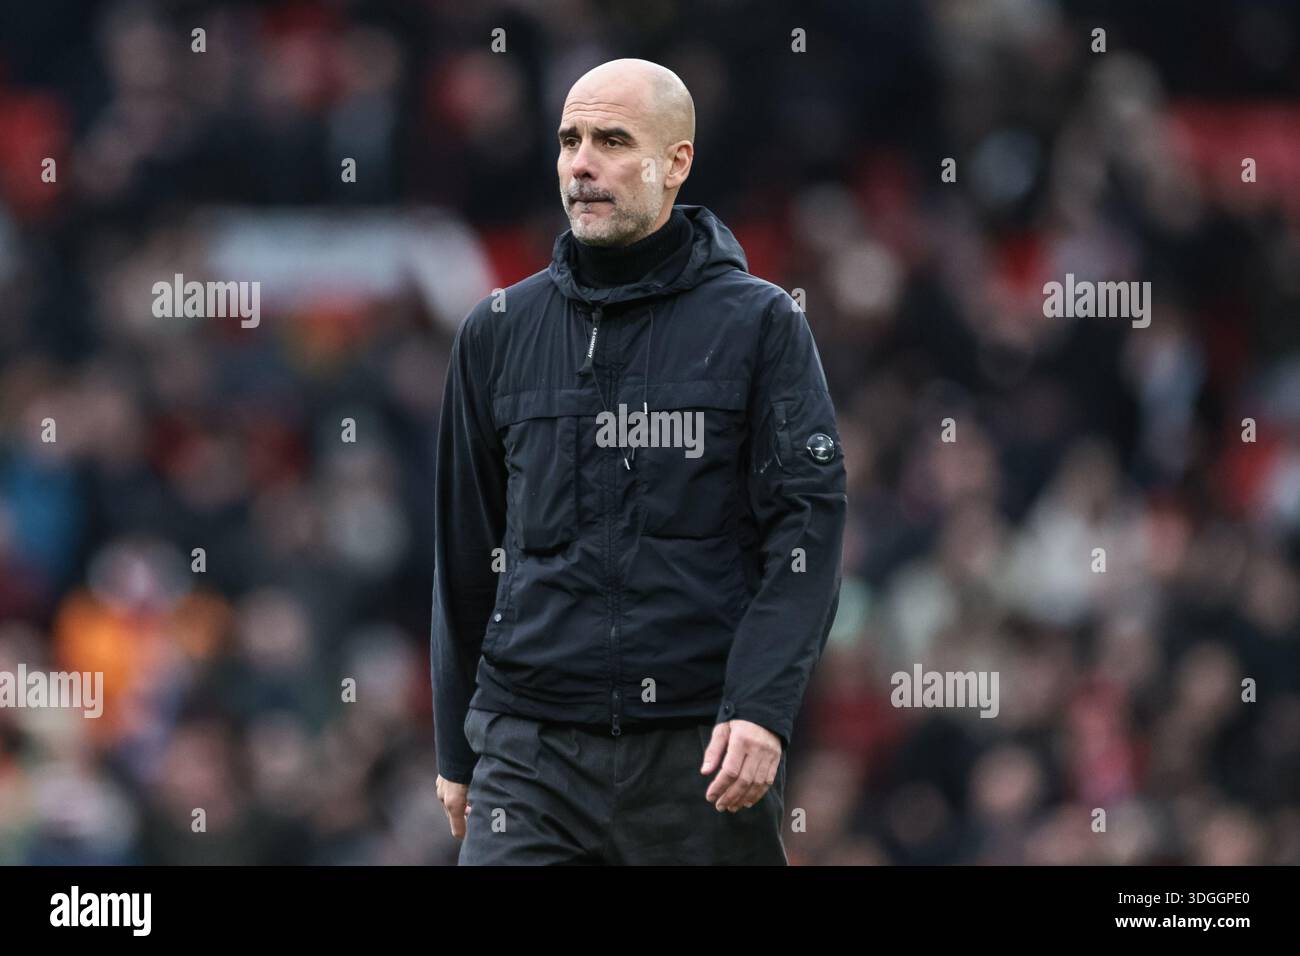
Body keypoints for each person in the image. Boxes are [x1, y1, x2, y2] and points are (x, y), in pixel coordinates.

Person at [431, 57, 846, 864]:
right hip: (531, 761)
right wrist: (456, 748)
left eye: (612, 140)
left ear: (677, 162)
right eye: (569, 140)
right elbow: (463, 554)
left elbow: (807, 534)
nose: (581, 163)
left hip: (702, 757)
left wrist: (762, 708)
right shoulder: (496, 330)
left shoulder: (762, 326)